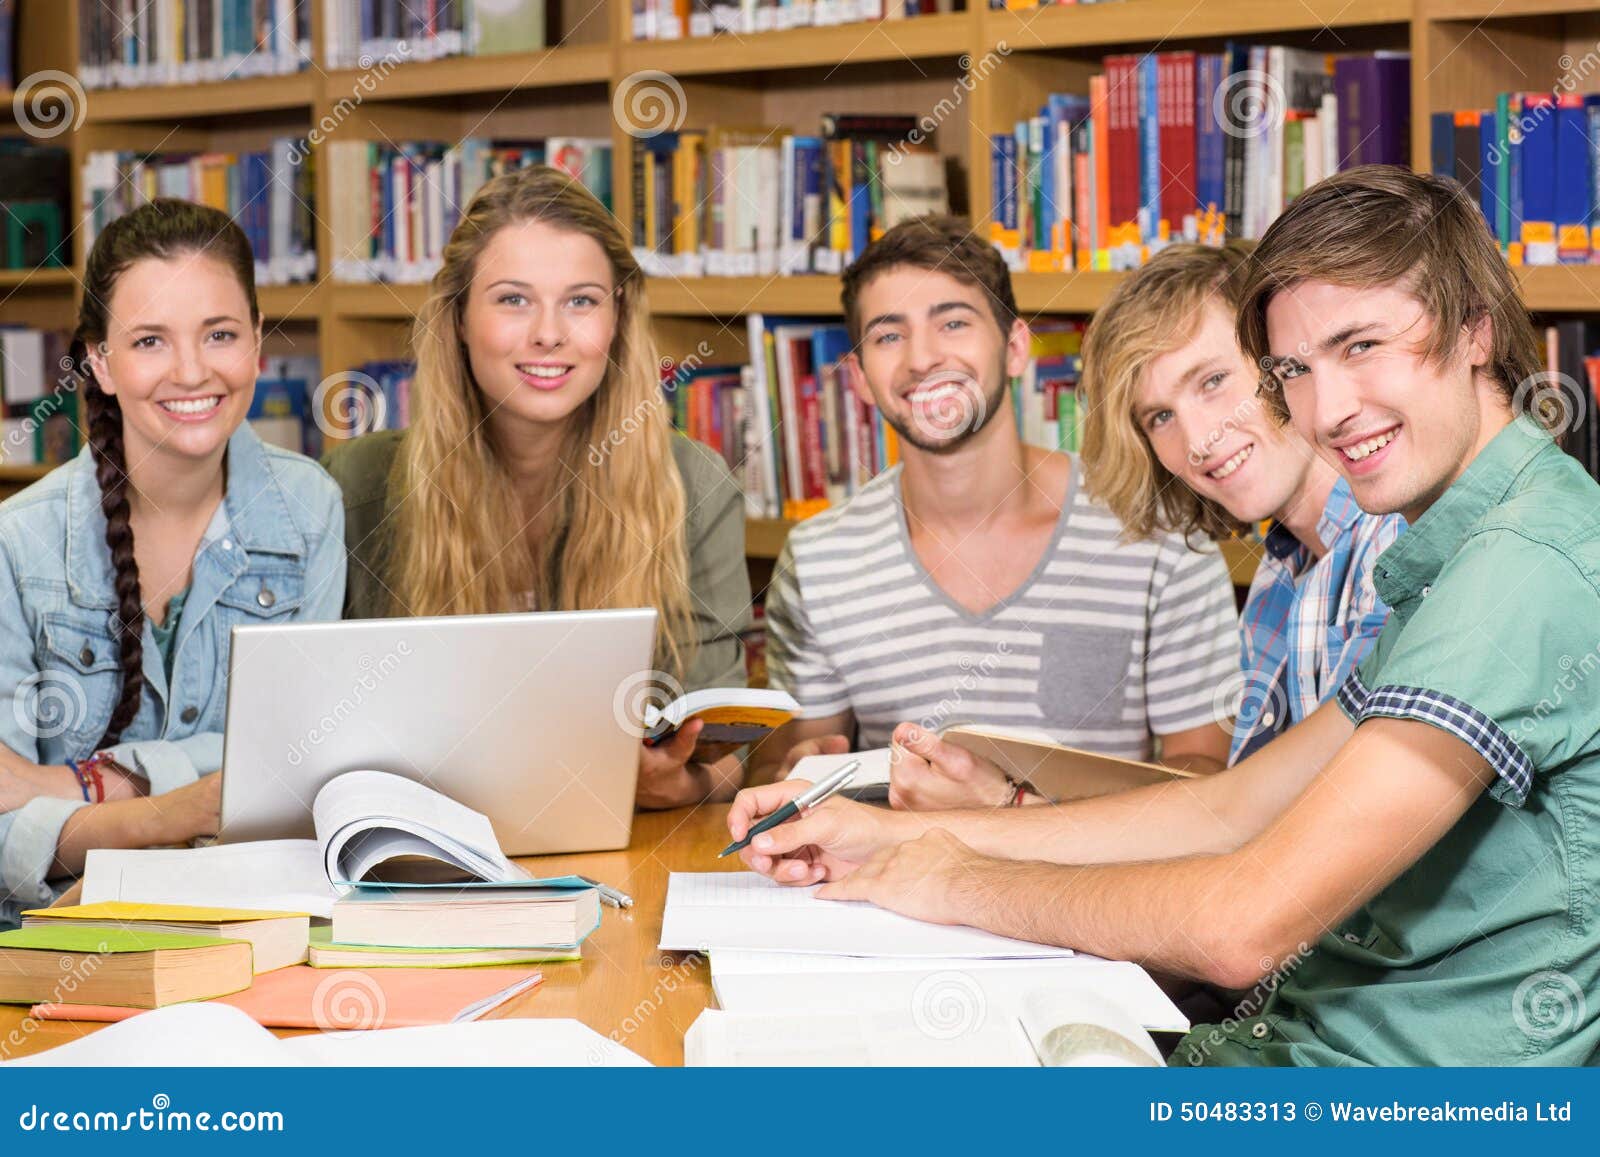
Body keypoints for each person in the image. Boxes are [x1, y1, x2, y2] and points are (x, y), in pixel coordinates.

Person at [727, 166, 1600, 1065]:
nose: (1329, 409)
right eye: (1297, 370)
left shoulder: (1518, 568)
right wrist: (895, 832)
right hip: (1290, 1043)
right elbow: (1230, 811)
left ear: (1475, 330)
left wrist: (954, 873)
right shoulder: (1453, 556)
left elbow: (1240, 924)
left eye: (1363, 346)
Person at [749, 216, 1241, 799]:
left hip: (1098, 881)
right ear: (858, 378)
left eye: (953, 323)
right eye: (888, 336)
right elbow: (805, 764)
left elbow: (1206, 783)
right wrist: (800, 769)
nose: (922, 358)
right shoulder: (819, 560)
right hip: (897, 882)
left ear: (1014, 348)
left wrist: (1013, 812)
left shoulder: (1156, 532)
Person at [323, 166, 752, 810]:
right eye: (513, 300)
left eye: (580, 300)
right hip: (426, 853)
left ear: (618, 321)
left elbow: (729, 759)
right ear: (460, 318)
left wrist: (672, 783)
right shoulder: (354, 486)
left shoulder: (695, 484)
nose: (549, 334)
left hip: (624, 846)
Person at [0, 199, 347, 928]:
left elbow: (301, 765)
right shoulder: (16, 541)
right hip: (63, 947)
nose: (192, 371)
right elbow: (4, 834)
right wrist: (165, 813)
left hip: (264, 928)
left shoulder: (309, 509)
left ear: (257, 340)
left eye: (219, 334)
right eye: (151, 340)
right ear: (99, 360)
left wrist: (82, 784)